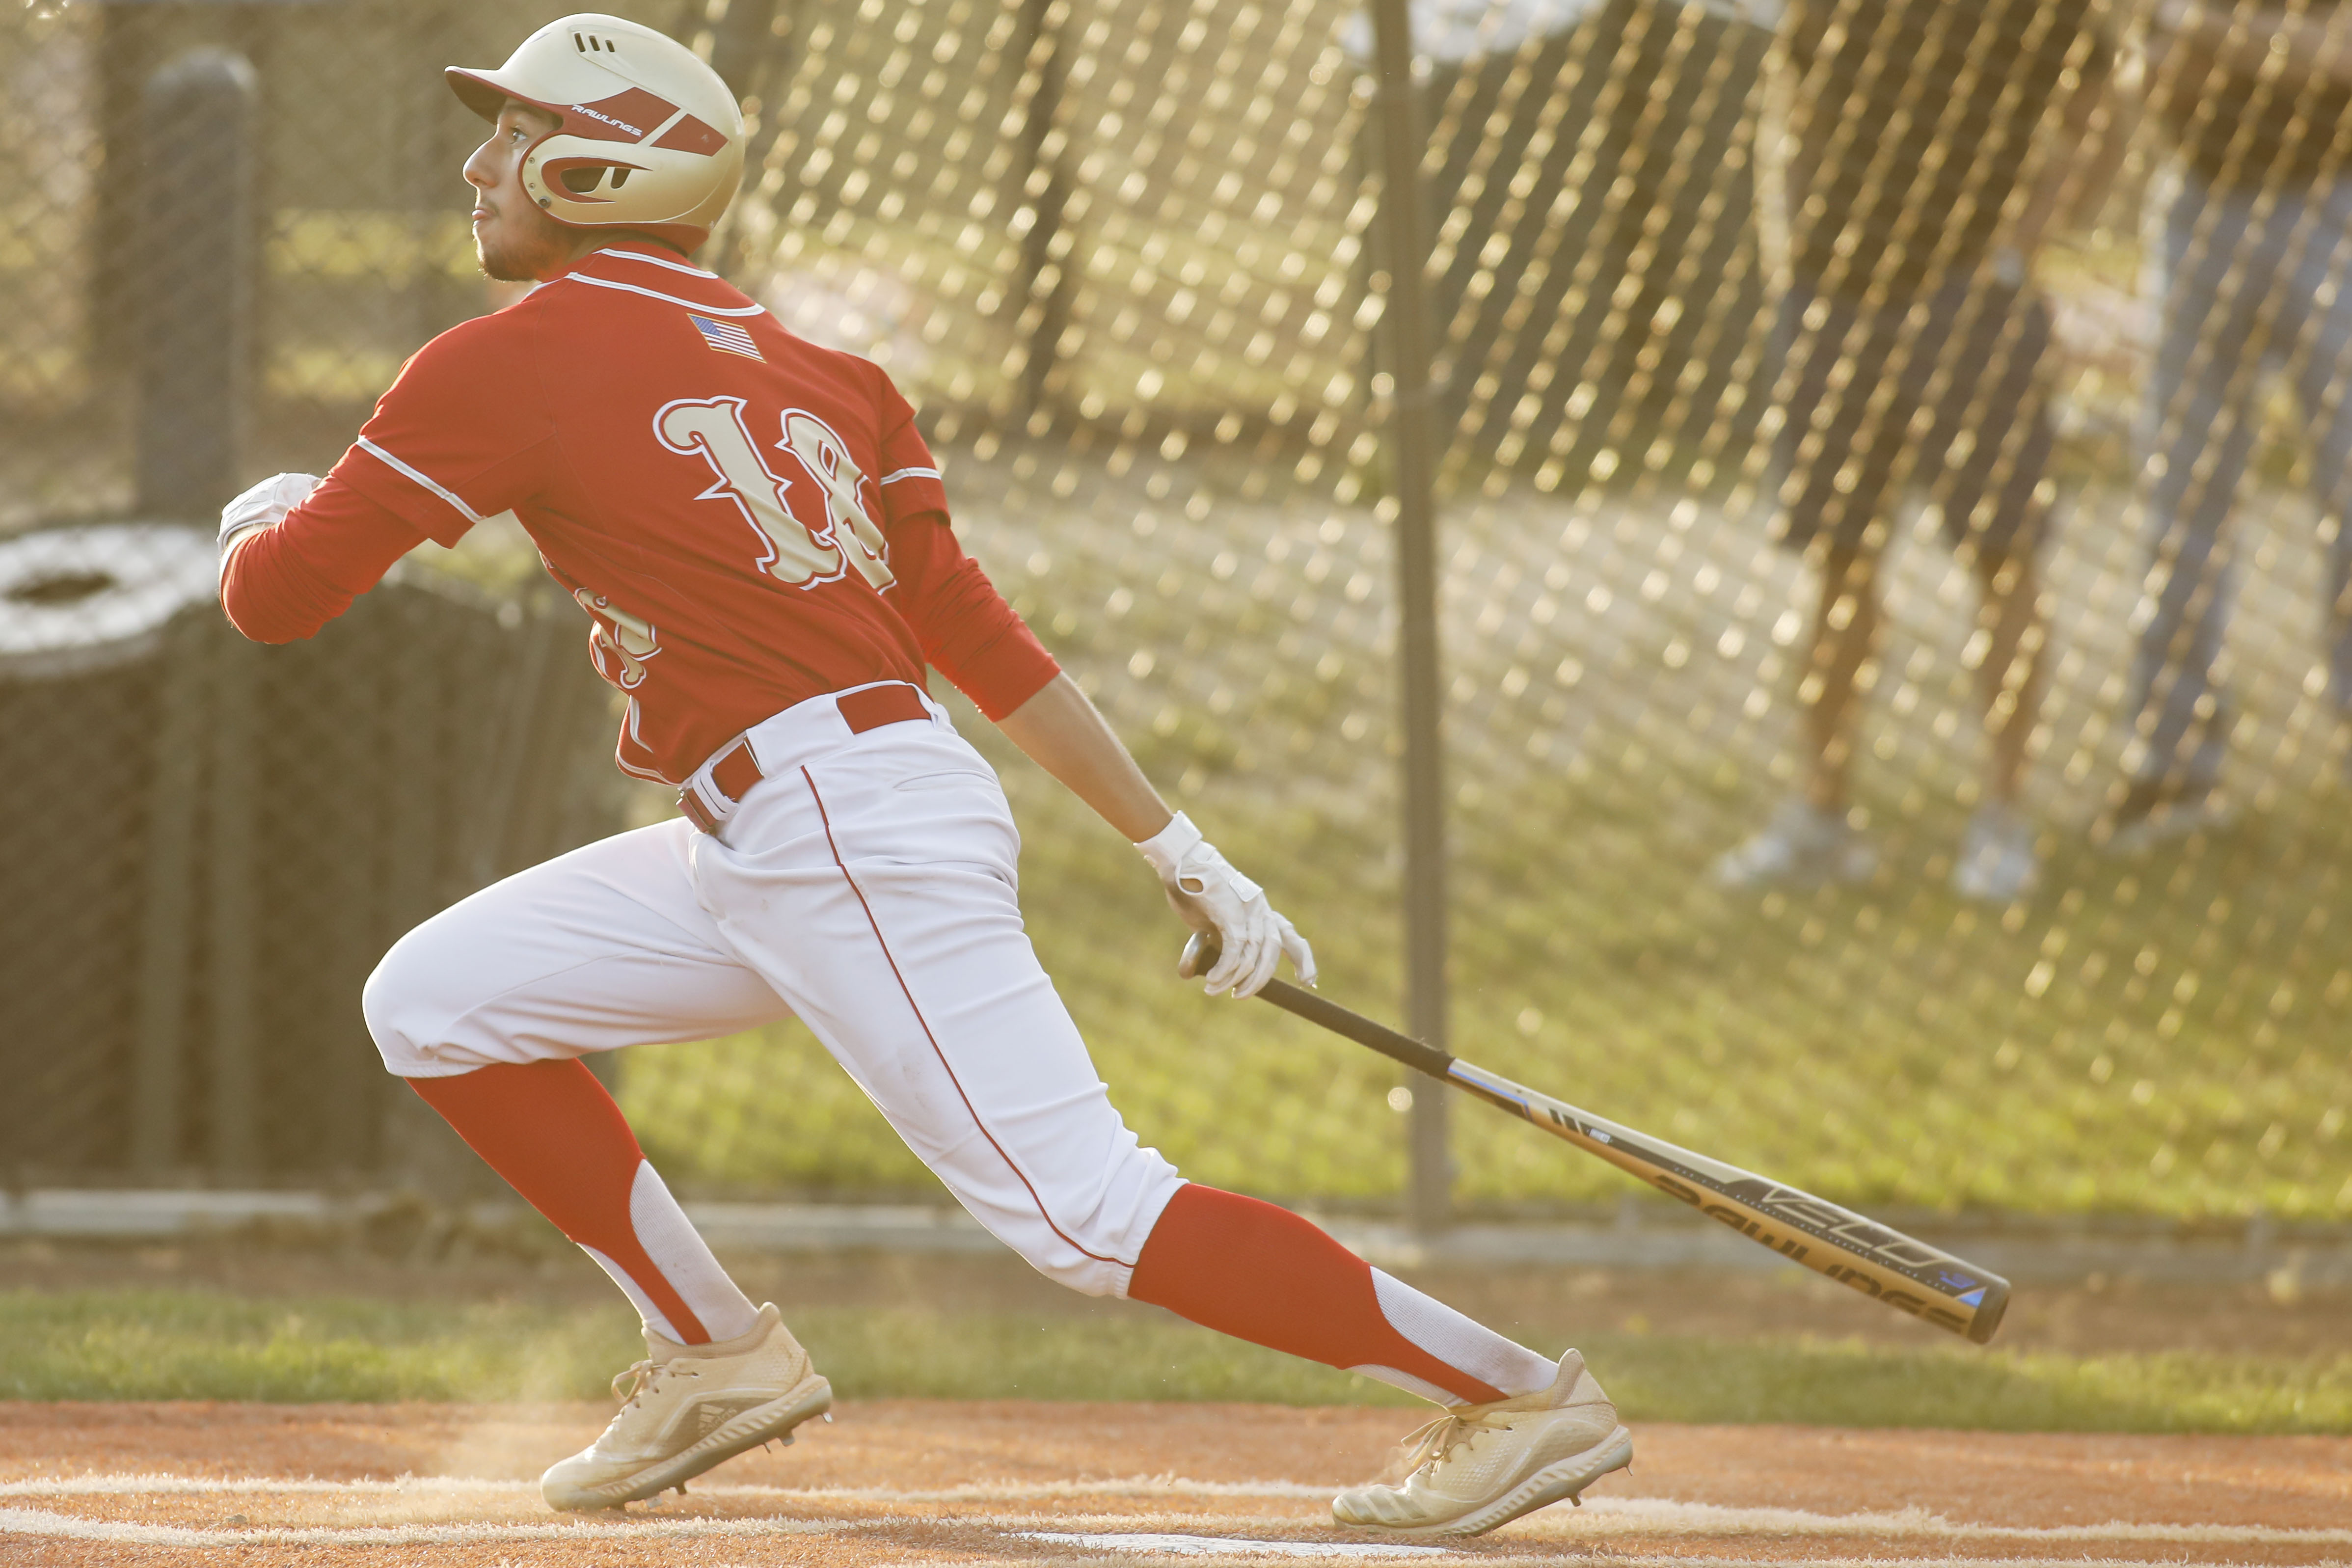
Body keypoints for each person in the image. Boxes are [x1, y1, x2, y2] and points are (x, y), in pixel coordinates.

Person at [214, 14, 1629, 1537]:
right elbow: (972, 631)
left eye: (513, 137)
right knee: (435, 999)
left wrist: (260, 515)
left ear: (595, 165)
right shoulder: (830, 372)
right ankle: (716, 1353)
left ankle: (1515, 1396)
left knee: (1084, 1214)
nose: (482, 166)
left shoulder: (505, 361)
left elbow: (278, 599)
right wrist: (1176, 841)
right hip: (791, 820)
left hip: (834, 825)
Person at [1713, 0, 2115, 902]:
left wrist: (2019, 244)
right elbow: (1791, 108)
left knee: (2003, 562)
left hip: (1972, 299)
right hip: (1838, 296)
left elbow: (2099, 116)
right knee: (1837, 566)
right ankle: (1821, 816)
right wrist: (1795, 266)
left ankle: (2004, 819)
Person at [2107, 0, 2352, 850]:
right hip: (2198, 206)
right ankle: (2171, 765)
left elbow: (2341, 59)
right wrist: (2255, 51)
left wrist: (2206, 31)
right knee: (2181, 499)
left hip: (2330, 205)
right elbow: (2152, 75)